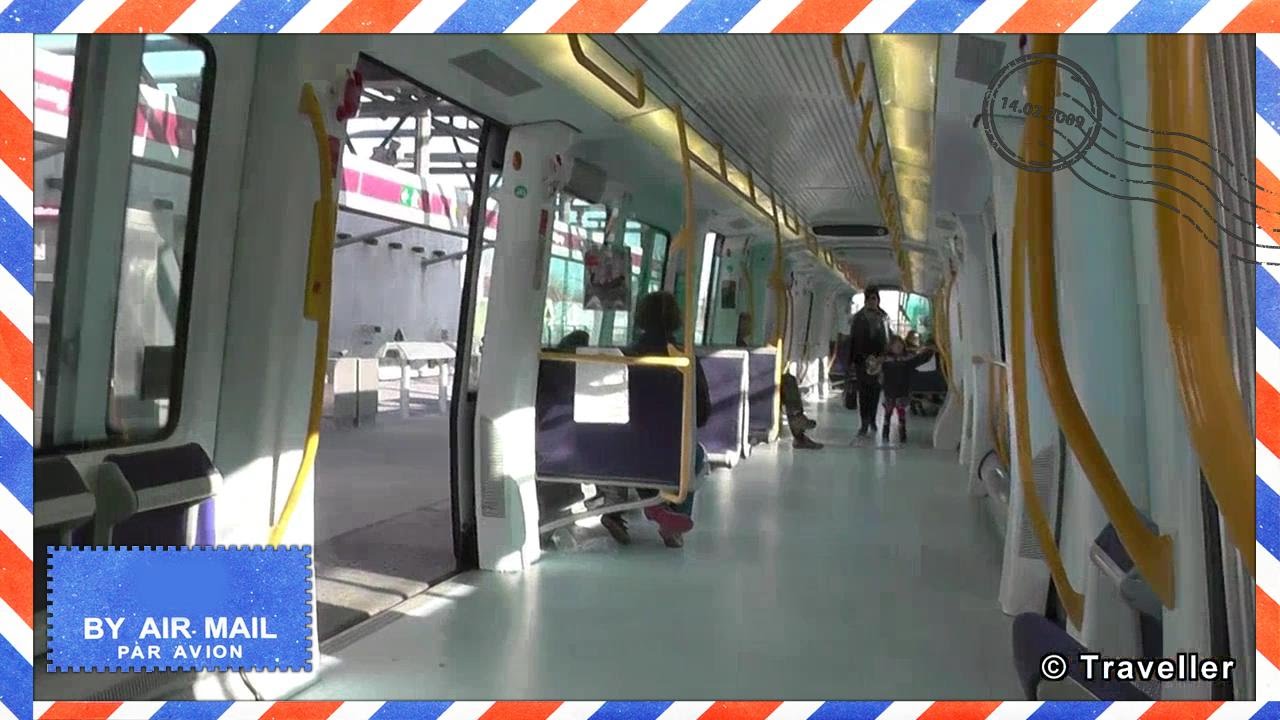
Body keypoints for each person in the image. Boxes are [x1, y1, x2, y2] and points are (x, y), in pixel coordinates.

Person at [600, 291, 710, 548]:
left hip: (618, 453)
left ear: (639, 319)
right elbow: (702, 414)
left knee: (623, 443)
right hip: (670, 455)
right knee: (693, 454)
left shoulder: (620, 356)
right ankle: (674, 520)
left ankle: (615, 509)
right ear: (676, 321)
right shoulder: (685, 360)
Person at [736, 314, 821, 449]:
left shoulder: (743, 344)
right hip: (745, 383)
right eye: (746, 324)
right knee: (787, 382)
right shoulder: (737, 345)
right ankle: (798, 424)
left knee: (788, 380)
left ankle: (798, 423)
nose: (749, 327)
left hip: (751, 381)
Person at [878, 336, 936, 443]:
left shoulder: (908, 359)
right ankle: (885, 432)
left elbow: (920, 359)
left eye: (900, 344)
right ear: (890, 347)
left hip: (902, 390)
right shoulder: (885, 360)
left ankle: (902, 433)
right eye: (895, 345)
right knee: (888, 412)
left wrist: (930, 351)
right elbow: (873, 369)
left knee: (901, 412)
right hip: (889, 391)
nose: (898, 346)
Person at [849, 287, 889, 438]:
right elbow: (853, 340)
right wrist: (852, 361)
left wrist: (883, 358)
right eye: (870, 299)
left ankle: (872, 419)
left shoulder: (883, 317)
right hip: (861, 360)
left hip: (878, 361)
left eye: (875, 299)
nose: (873, 302)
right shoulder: (858, 318)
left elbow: (887, 339)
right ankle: (864, 423)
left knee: (875, 392)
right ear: (866, 300)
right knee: (863, 392)